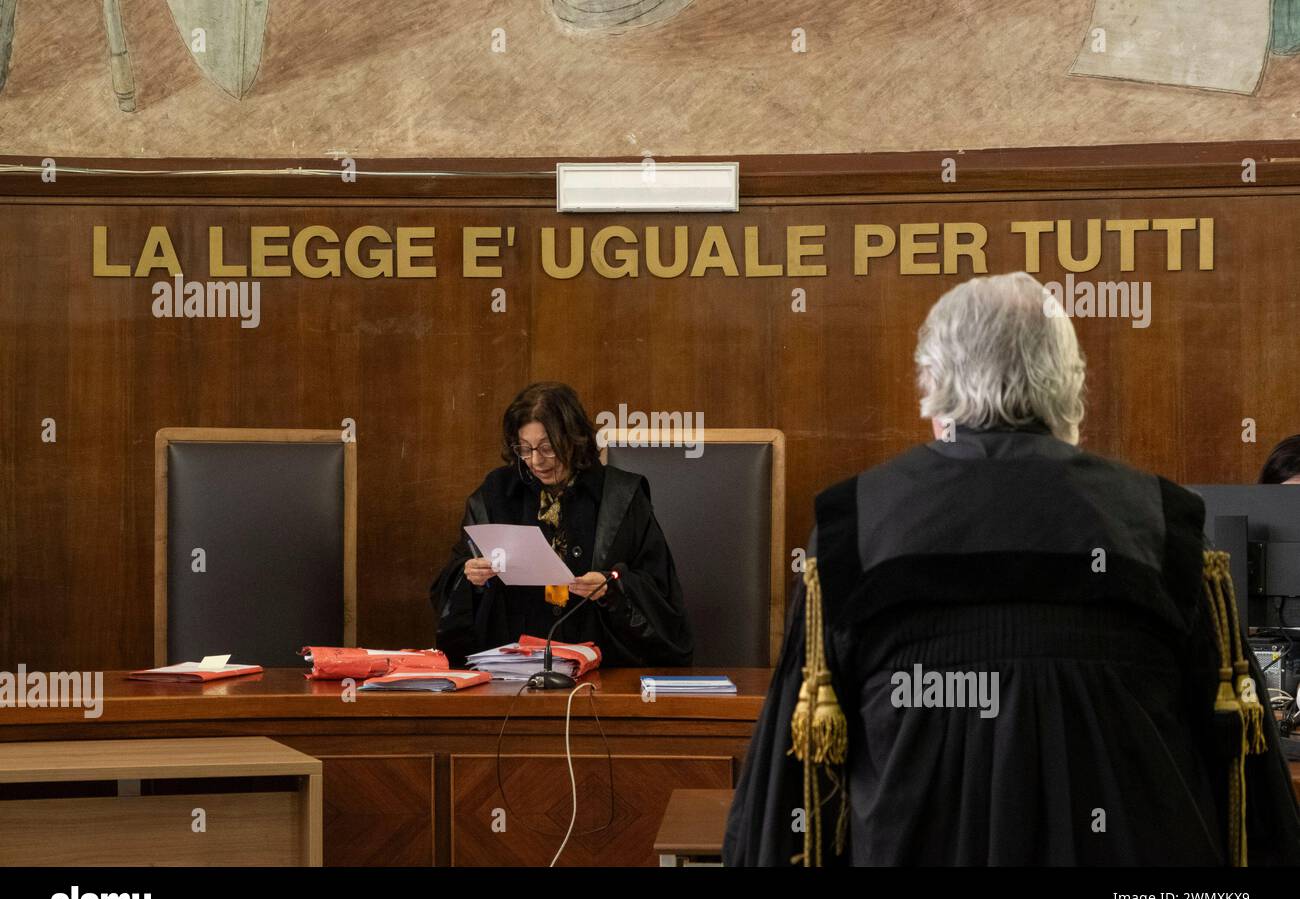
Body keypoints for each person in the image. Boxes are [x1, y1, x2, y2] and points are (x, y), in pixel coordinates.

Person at [724, 272, 1300, 866]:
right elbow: (1242, 790)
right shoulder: (1162, 525)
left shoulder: (857, 528)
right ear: (1073, 388)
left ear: (933, 387)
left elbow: (794, 799)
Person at [430, 381, 693, 668]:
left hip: (603, 665)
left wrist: (611, 589)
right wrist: (471, 576)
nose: (536, 461)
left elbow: (660, 590)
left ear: (573, 439)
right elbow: (455, 577)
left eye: (548, 448)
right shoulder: (496, 494)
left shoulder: (620, 497)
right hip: (512, 666)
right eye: (525, 449)